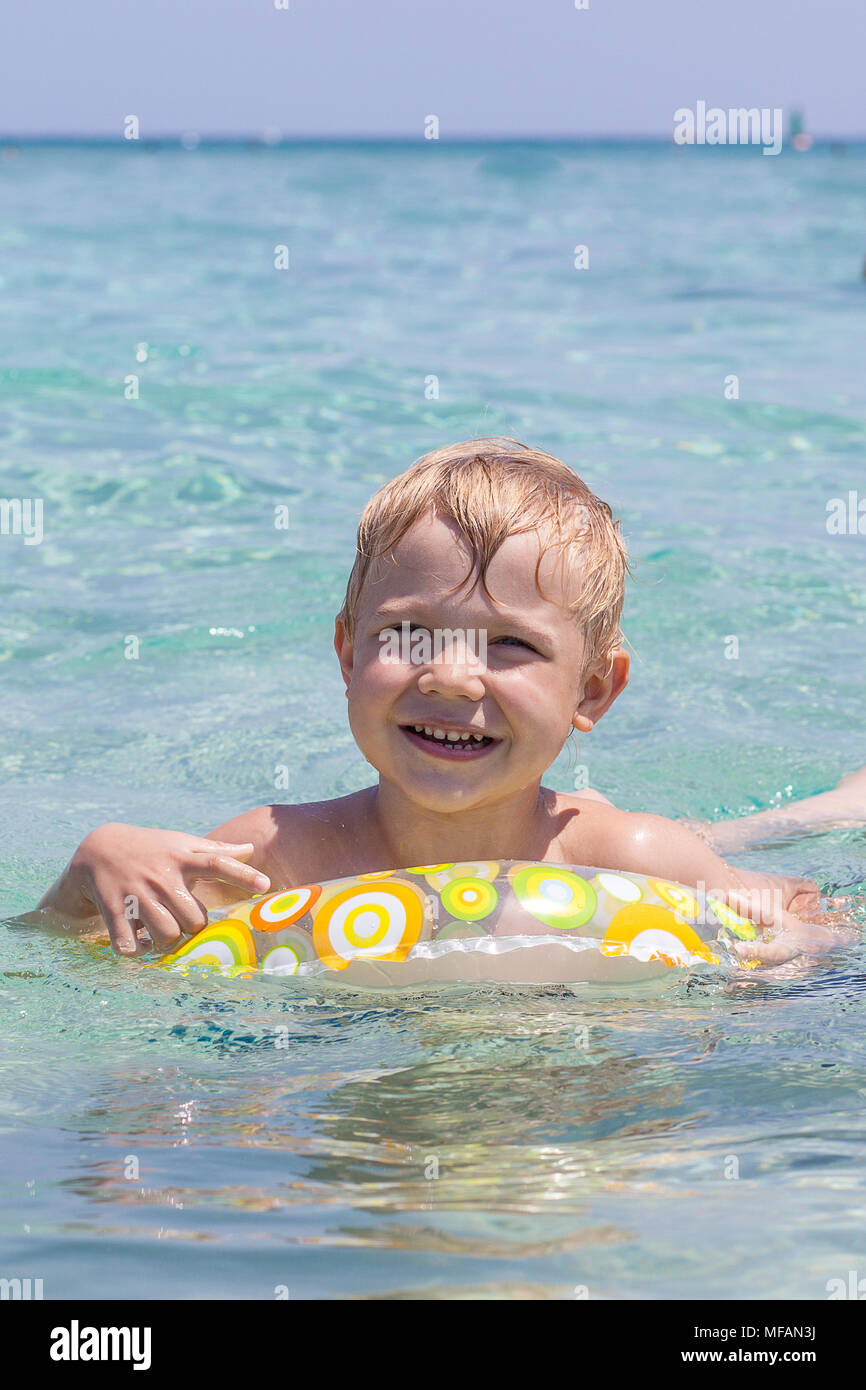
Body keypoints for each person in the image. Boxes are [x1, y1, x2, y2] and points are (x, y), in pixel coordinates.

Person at [32, 438, 863, 968]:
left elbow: (798, 919)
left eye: (512, 644)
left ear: (594, 691)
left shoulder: (634, 857)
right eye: (409, 635)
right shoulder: (269, 857)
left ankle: (833, 807)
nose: (452, 678)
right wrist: (87, 875)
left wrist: (789, 946)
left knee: (714, 840)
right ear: (348, 654)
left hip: (590, 834)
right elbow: (81, 958)